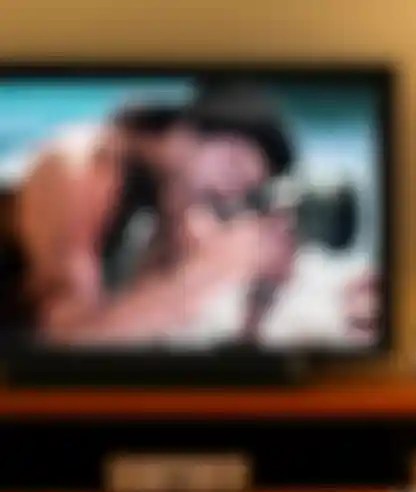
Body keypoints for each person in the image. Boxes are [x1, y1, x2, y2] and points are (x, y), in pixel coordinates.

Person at [14, 82, 375, 347]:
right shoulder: (79, 167)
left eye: (244, 192)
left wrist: (261, 296)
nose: (226, 196)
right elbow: (71, 345)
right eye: (232, 167)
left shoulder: (156, 202)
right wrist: (209, 272)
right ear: (186, 131)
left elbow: (147, 328)